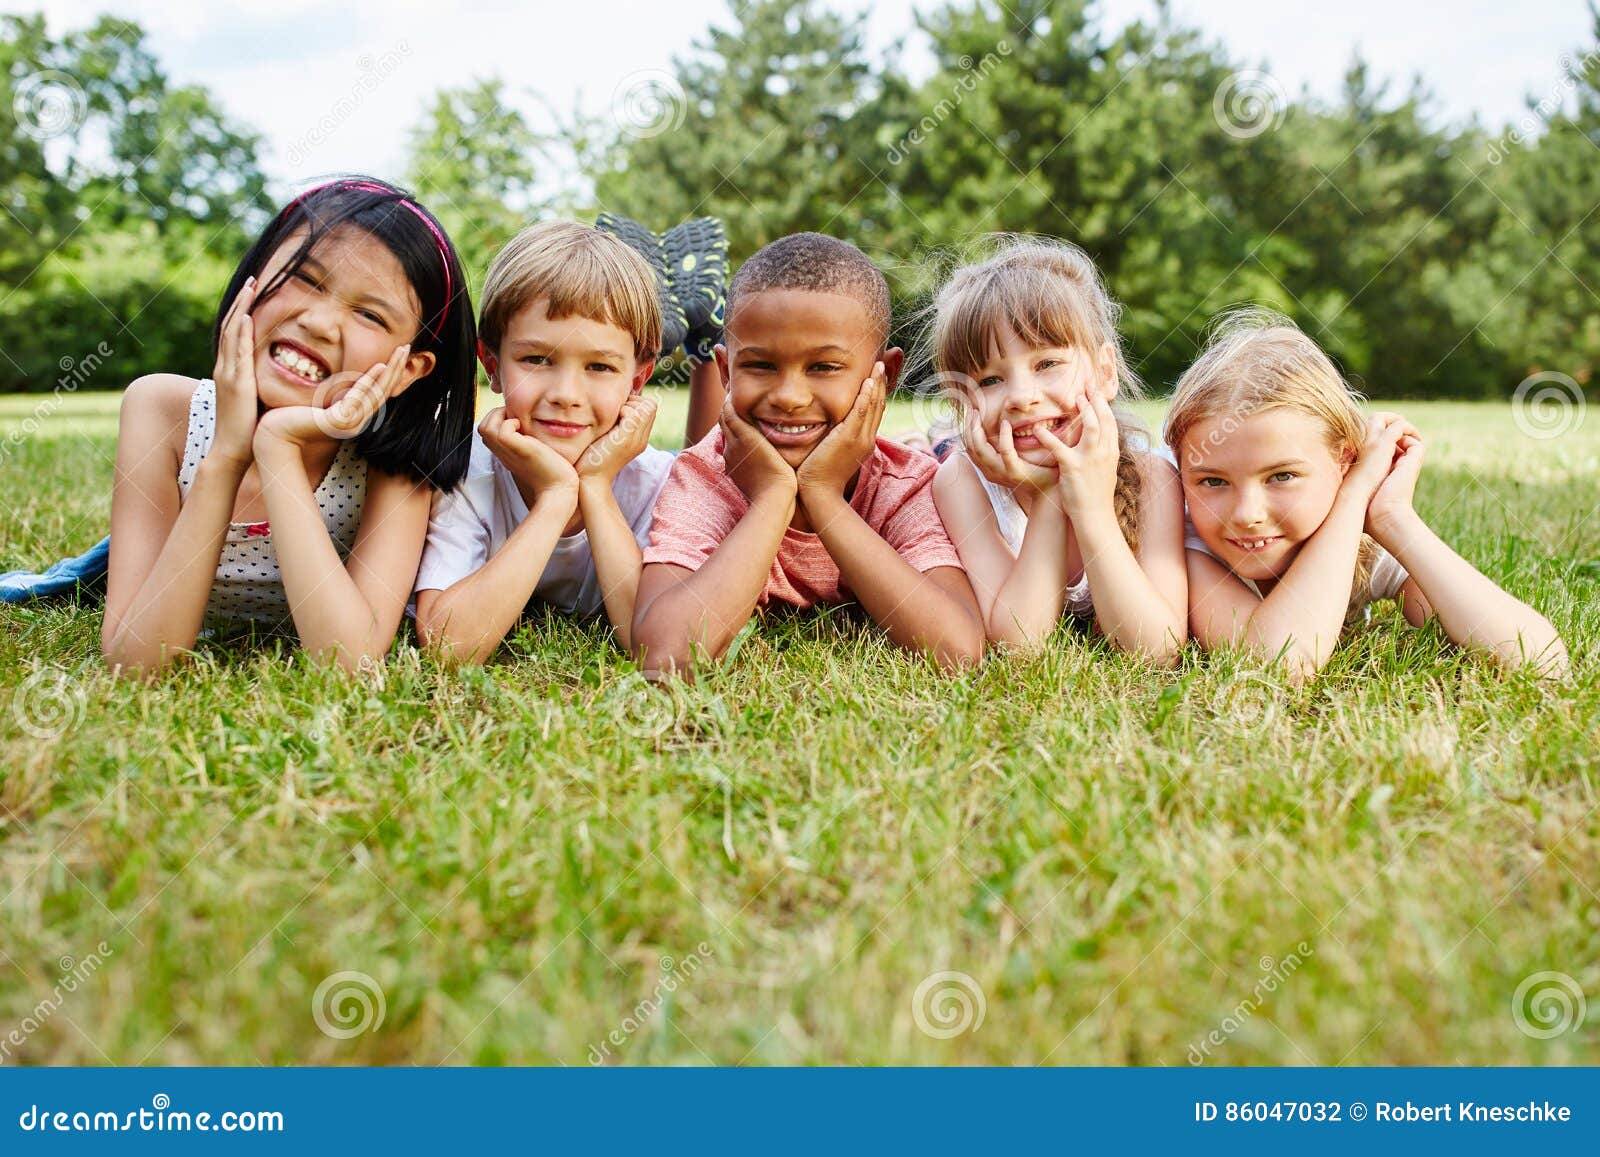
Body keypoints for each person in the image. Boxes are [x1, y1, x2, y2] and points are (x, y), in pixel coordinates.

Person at [100, 177, 476, 675]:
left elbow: (349, 663)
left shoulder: (394, 461)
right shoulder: (163, 411)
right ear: (254, 276)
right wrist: (228, 456)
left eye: (368, 314)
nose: (320, 322)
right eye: (307, 278)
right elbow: (135, 664)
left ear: (408, 369)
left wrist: (277, 445)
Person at [631, 232, 985, 676]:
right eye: (760, 366)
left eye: (823, 367)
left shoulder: (904, 485)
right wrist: (774, 495)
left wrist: (823, 496)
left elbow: (957, 651)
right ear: (725, 371)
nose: (790, 396)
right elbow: (665, 655)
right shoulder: (704, 478)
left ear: (885, 375)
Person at [1165, 309, 1568, 680]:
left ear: (1345, 460)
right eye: (1213, 482)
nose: (1246, 514)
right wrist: (1354, 496)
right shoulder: (1189, 551)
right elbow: (1277, 665)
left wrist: (1394, 518)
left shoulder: (1361, 544)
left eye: (1281, 476)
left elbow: (1537, 658)